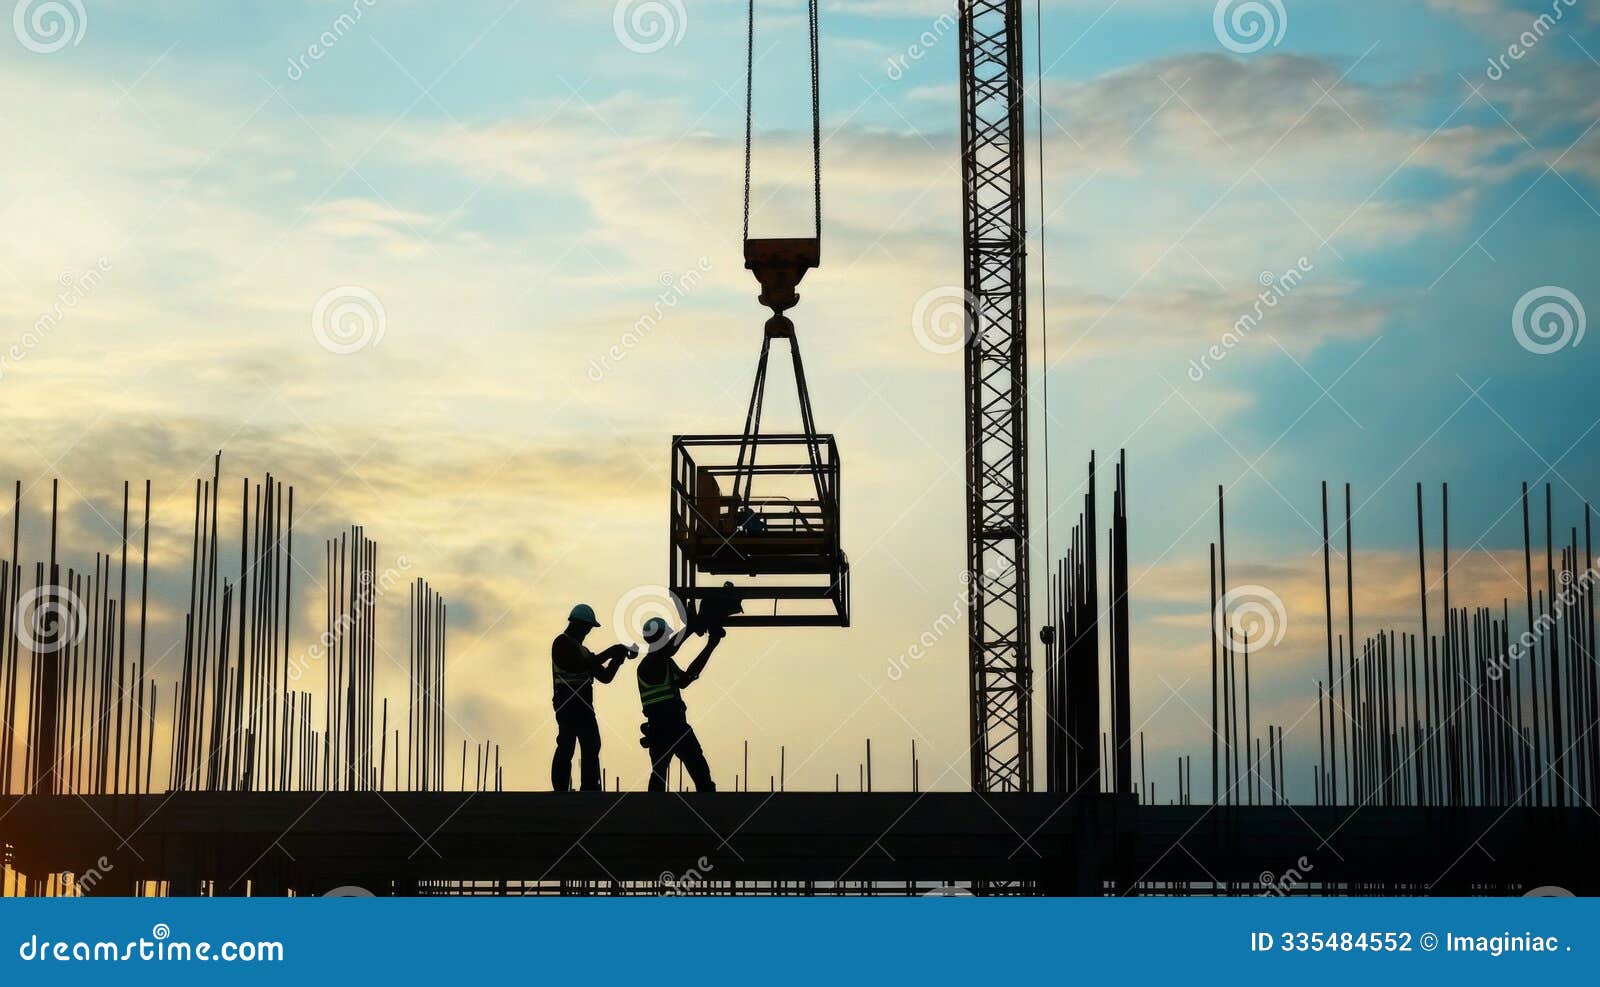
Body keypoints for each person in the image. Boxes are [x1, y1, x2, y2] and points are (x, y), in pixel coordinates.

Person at [551, 603, 635, 792]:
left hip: (583, 705)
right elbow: (577, 665)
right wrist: (610, 652)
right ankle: (560, 789)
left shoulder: (585, 651)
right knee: (567, 744)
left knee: (591, 745)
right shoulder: (561, 642)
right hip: (567, 703)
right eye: (588, 627)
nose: (588, 631)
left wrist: (617, 658)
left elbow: (605, 677)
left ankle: (589, 788)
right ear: (578, 624)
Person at [635, 617, 724, 792]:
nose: (669, 639)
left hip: (672, 725)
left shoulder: (664, 662)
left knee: (696, 769)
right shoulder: (650, 664)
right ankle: (654, 811)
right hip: (666, 726)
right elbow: (670, 651)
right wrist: (689, 627)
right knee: (665, 772)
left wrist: (710, 645)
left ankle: (655, 810)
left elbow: (685, 679)